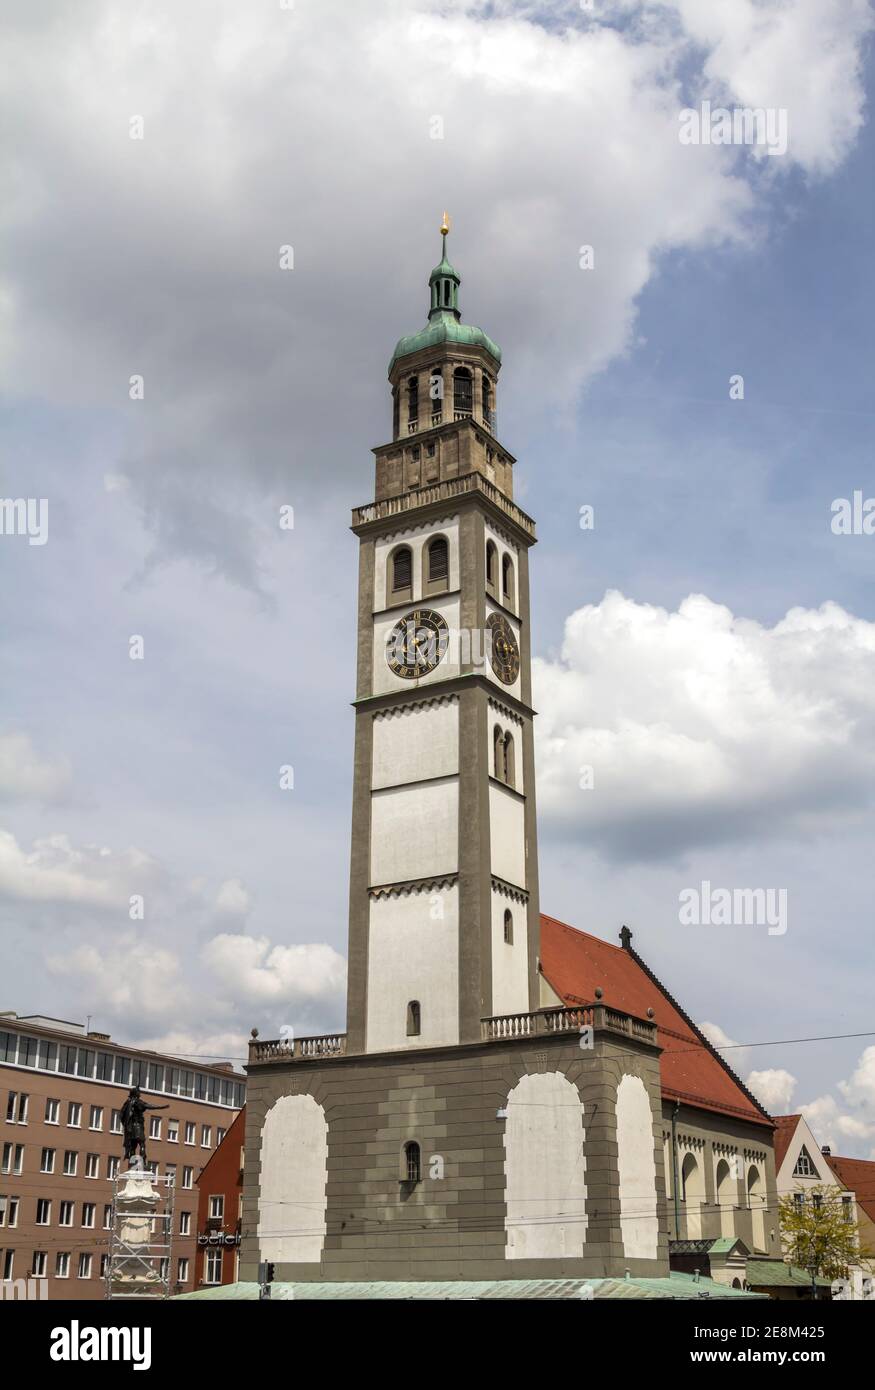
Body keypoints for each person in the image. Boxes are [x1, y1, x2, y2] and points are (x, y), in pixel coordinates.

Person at [120, 1086, 169, 1165]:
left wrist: (126, 1125)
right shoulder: (137, 1102)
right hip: (138, 1127)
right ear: (136, 1093)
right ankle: (143, 1162)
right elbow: (148, 1106)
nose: (140, 1093)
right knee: (142, 1144)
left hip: (130, 1129)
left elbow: (121, 1115)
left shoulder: (127, 1103)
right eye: (139, 1092)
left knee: (133, 1146)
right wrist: (161, 1107)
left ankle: (131, 1164)